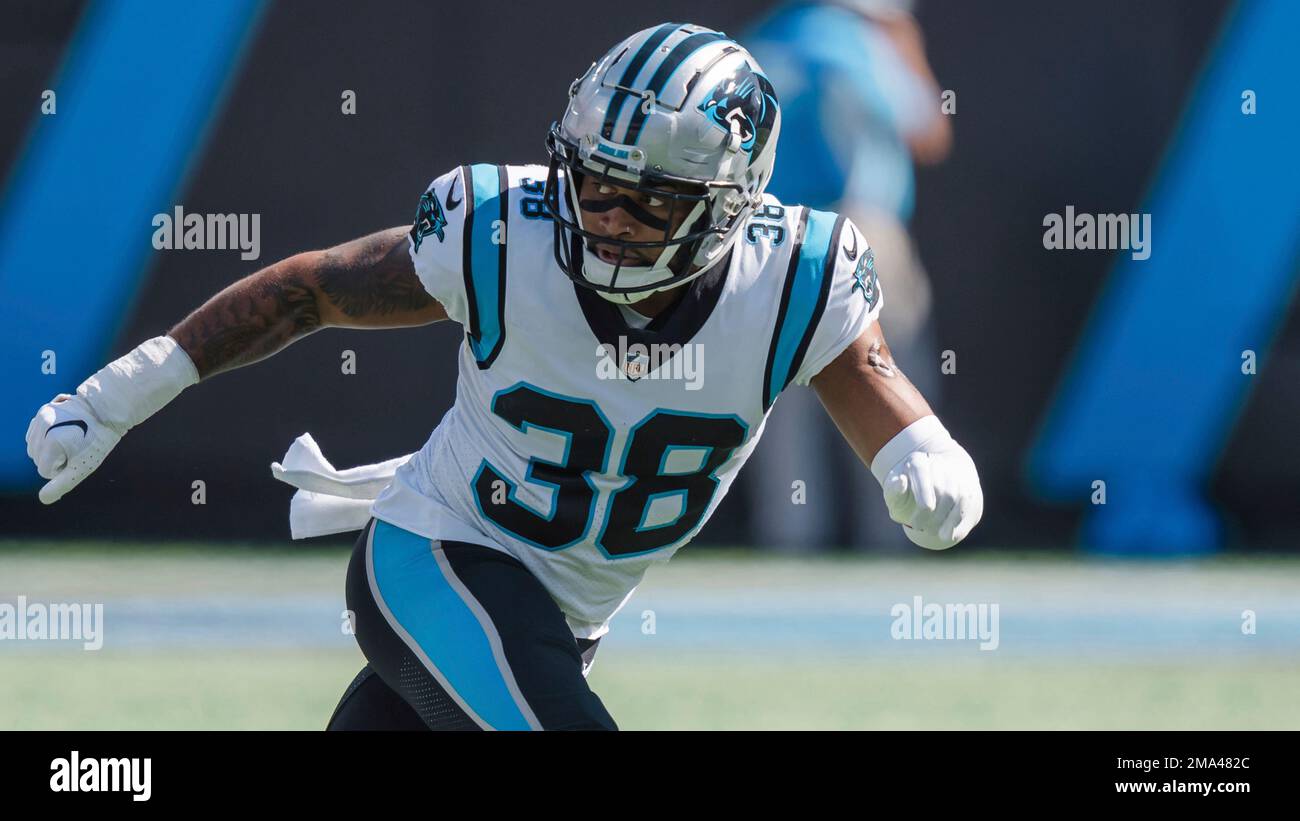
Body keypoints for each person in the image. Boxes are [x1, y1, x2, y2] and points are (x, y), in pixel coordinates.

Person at [24, 23, 982, 731]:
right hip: (437, 552)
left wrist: (926, 453)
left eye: (640, 201)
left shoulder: (794, 278)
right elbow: (307, 291)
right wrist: (116, 398)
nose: (601, 217)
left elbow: (874, 383)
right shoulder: (502, 230)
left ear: (725, 207)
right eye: (590, 184)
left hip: (564, 616)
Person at [745, 0, 953, 551]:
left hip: (770, 235)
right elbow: (928, 130)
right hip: (857, 229)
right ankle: (904, 532)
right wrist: (904, 40)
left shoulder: (762, 40)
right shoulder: (856, 40)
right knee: (887, 379)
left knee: (781, 392)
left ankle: (792, 536)